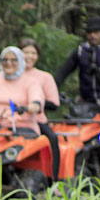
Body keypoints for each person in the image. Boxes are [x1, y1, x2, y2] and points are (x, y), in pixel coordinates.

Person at [55, 16, 100, 112]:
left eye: (96, 32)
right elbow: (63, 72)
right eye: (89, 33)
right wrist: (52, 89)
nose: (92, 35)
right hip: (85, 101)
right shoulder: (81, 51)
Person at [19, 38, 62, 178]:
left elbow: (54, 103)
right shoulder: (10, 75)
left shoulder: (44, 77)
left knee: (52, 138)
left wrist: (35, 104)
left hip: (36, 120)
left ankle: (54, 179)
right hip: (10, 120)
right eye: (26, 52)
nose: (29, 56)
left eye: (33, 53)